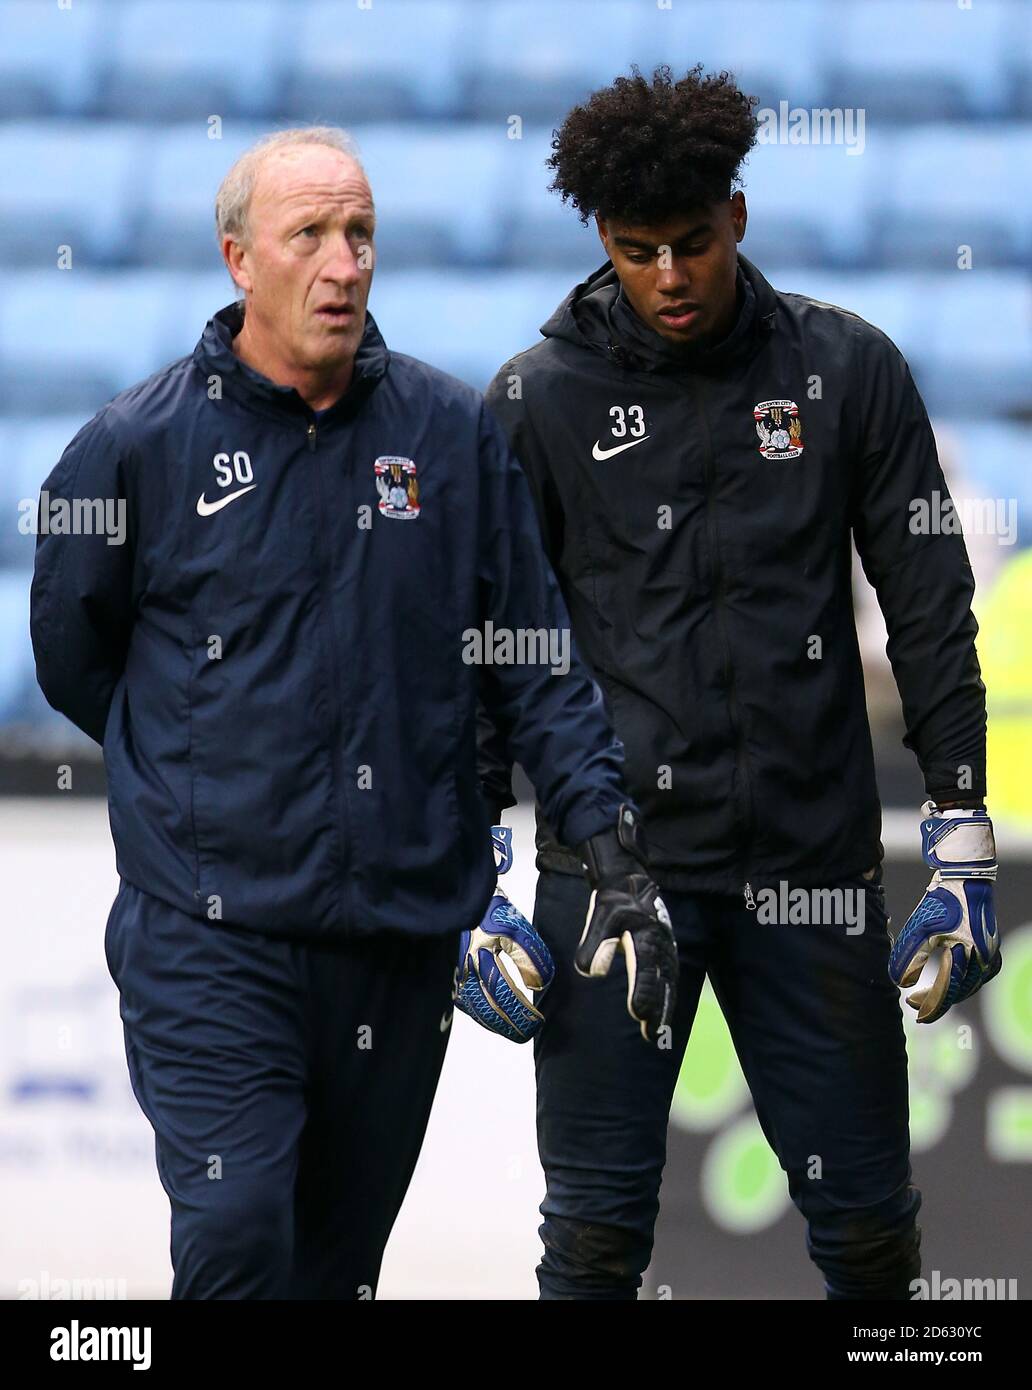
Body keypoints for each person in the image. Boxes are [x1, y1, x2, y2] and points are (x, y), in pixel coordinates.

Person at [29, 126, 675, 1300]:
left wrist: (610, 847)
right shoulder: (132, 449)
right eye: (311, 235)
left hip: (396, 943)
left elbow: (534, 662)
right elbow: (79, 662)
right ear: (240, 259)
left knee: (333, 1275)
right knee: (233, 1237)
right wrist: (202, 776)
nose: (344, 263)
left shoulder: (448, 435)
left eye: (361, 234)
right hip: (208, 936)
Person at [477, 67, 1001, 1301]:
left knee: (872, 1233)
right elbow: (481, 650)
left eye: (692, 244)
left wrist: (962, 837)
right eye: (638, 249)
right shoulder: (535, 402)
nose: (668, 275)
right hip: (613, 881)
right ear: (602, 242)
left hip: (812, 869)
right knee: (595, 1240)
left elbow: (928, 607)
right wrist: (473, 875)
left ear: (740, 217)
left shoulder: (848, 372)